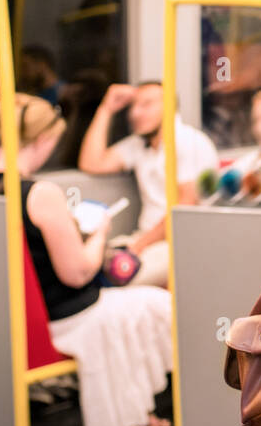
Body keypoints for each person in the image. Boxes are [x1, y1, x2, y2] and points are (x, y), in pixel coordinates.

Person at [0, 93, 173, 426]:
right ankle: (142, 410)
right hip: (71, 316)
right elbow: (78, 273)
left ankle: (136, 411)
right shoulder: (41, 194)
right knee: (162, 305)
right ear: (40, 141)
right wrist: (99, 230)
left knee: (139, 305)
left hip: (22, 317)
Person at [77, 80, 218, 287]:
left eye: (146, 104)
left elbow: (185, 209)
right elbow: (92, 162)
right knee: (87, 267)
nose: (135, 113)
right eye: (133, 106)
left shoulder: (188, 141)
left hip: (182, 244)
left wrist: (137, 247)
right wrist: (106, 108)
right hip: (146, 241)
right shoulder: (139, 144)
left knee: (115, 280)